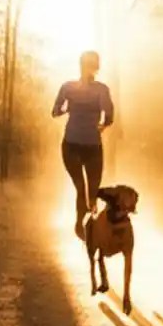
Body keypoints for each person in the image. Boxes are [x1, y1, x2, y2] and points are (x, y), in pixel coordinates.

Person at [51, 50, 115, 239]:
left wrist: (68, 108)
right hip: (86, 145)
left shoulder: (68, 87)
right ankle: (83, 226)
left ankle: (84, 225)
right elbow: (109, 116)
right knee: (88, 189)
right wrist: (102, 126)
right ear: (96, 67)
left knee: (85, 189)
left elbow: (55, 111)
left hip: (74, 144)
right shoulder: (101, 90)